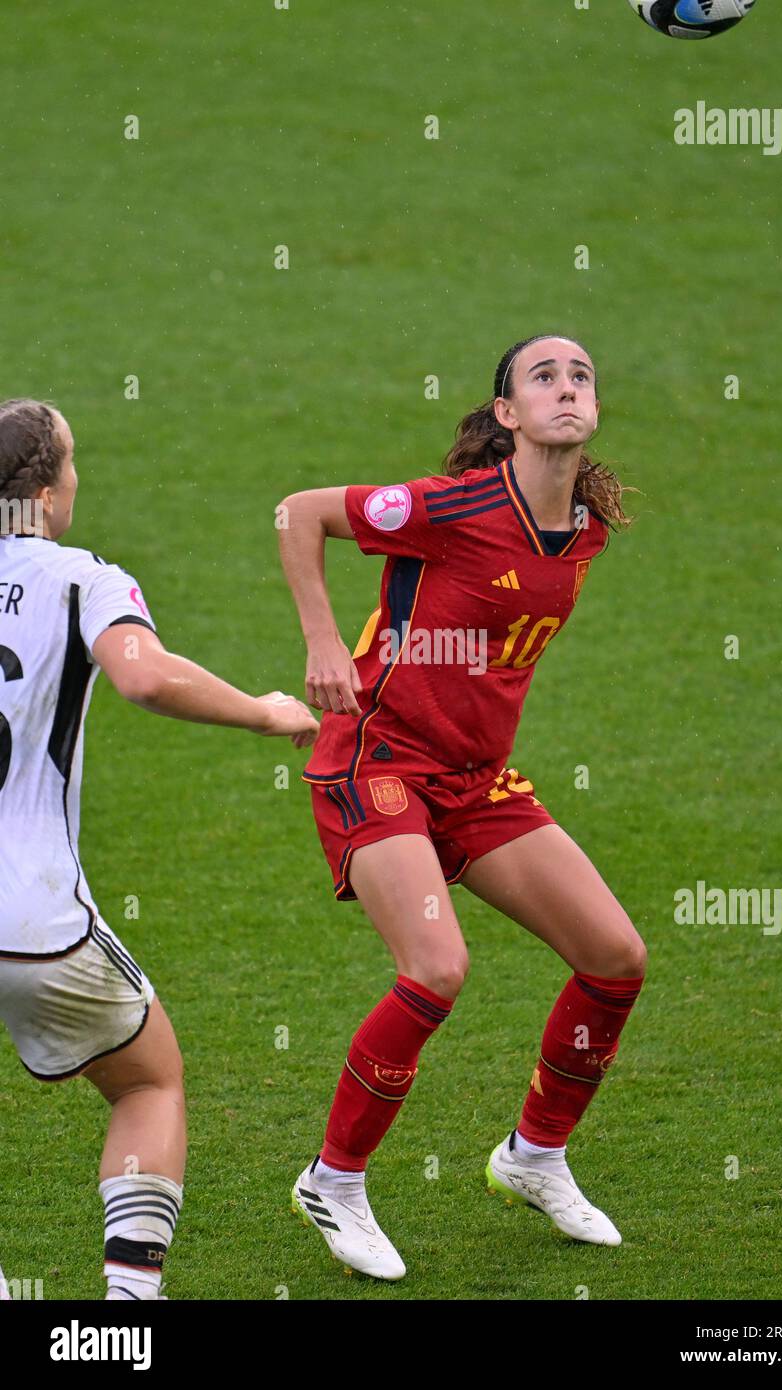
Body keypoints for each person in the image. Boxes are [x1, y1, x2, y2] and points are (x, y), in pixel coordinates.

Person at [277, 334, 647, 1281]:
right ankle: (334, 1178)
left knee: (615, 959)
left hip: (476, 779)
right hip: (377, 756)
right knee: (437, 967)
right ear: (508, 417)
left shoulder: (588, 530)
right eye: (544, 377)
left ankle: (533, 1157)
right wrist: (325, 643)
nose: (567, 386)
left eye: (581, 376)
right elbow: (299, 513)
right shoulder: (450, 506)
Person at [0, 399, 318, 1300]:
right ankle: (128, 1314)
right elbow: (141, 673)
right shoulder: (80, 577)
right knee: (149, 1082)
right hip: (31, 919)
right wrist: (263, 711)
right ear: (53, 491)